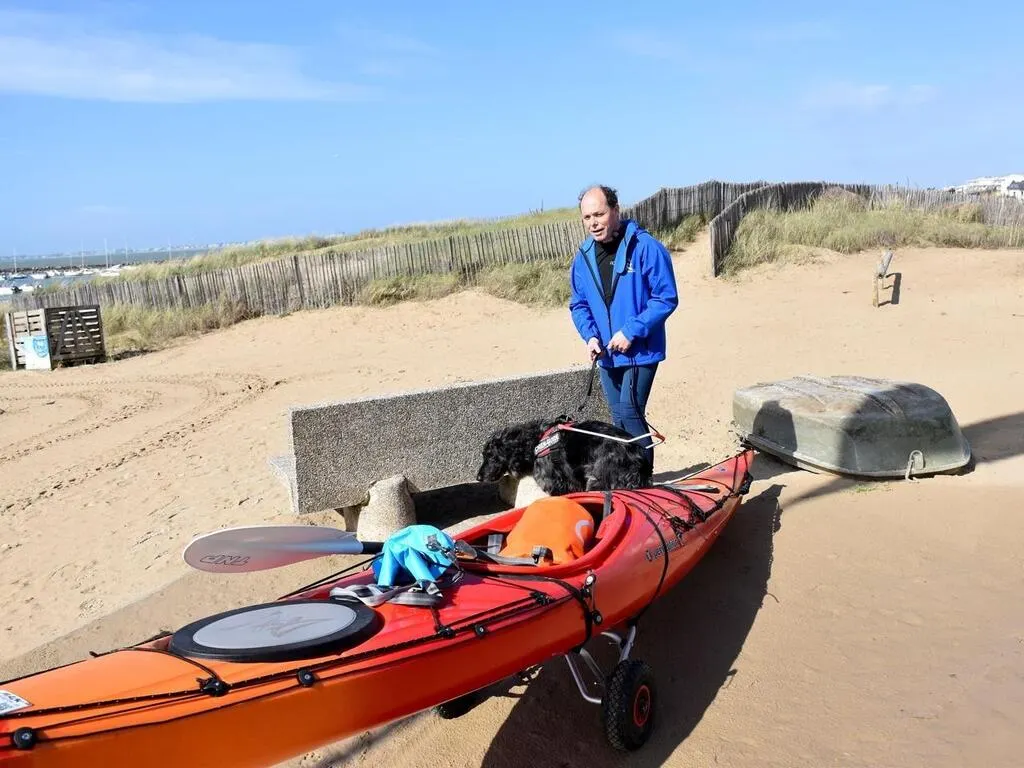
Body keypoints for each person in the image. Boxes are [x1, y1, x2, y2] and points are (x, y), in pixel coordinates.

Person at [568, 184, 679, 469]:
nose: (593, 223)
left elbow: (665, 298)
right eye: (587, 217)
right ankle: (626, 479)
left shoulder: (646, 247)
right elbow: (579, 304)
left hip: (641, 350)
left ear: (616, 210)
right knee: (617, 421)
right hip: (606, 355)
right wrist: (590, 336)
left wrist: (631, 330)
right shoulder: (583, 257)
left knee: (631, 413)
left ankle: (644, 483)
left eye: (599, 214)